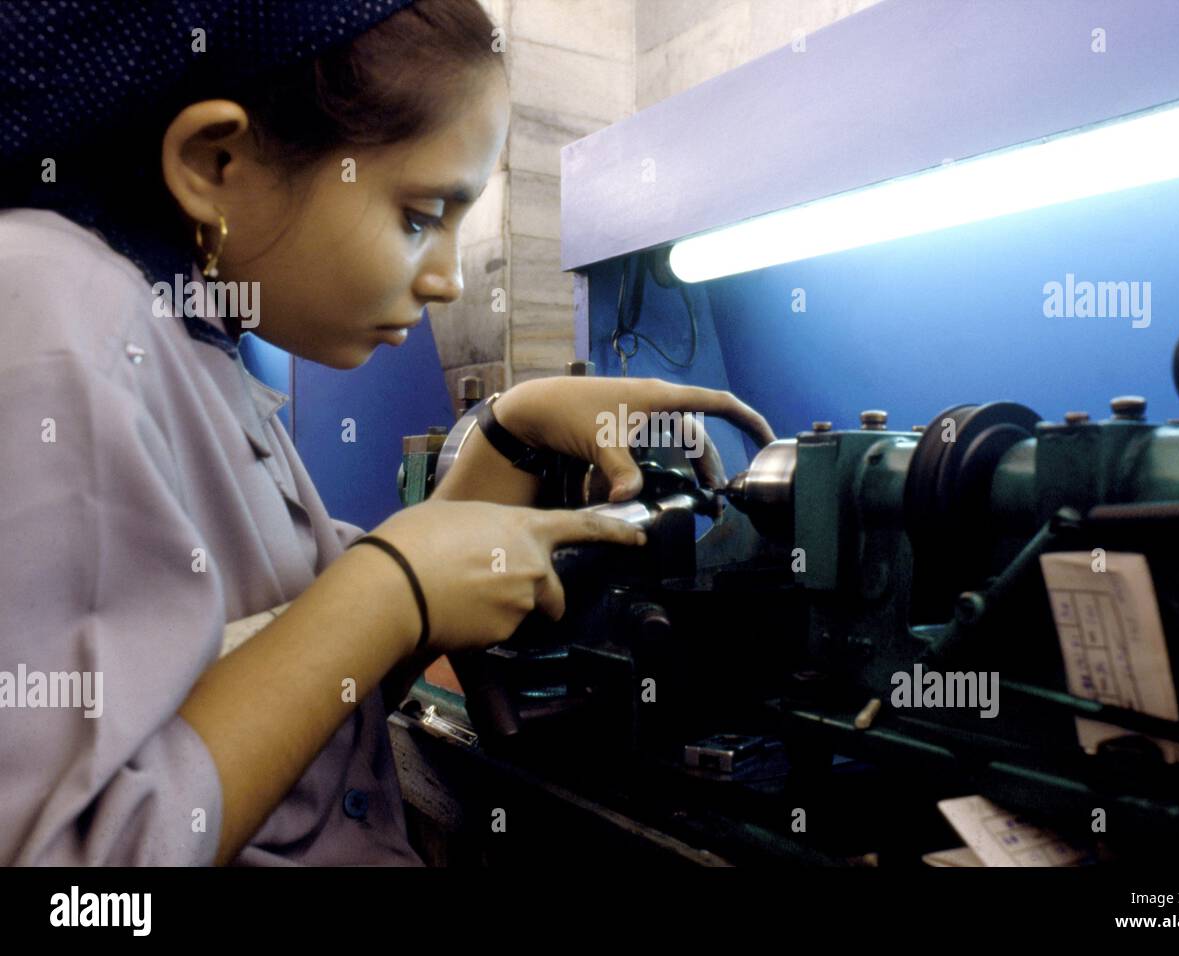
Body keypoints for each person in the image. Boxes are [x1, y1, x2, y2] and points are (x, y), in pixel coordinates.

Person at [0, 0, 775, 866]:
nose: (446, 279)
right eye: (419, 216)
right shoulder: (52, 307)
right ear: (216, 162)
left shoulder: (202, 347)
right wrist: (391, 588)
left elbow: (317, 688)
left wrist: (508, 436)